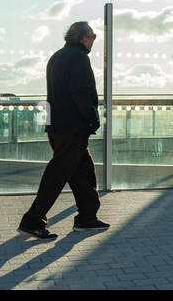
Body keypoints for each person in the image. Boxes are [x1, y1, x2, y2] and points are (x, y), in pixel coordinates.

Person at [18, 22, 107, 239]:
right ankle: (32, 220)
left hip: (59, 126)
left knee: (83, 173)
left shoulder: (57, 57)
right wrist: (92, 119)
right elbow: (81, 93)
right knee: (56, 175)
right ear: (83, 38)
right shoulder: (78, 58)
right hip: (72, 127)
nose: (93, 41)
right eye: (93, 37)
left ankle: (87, 218)